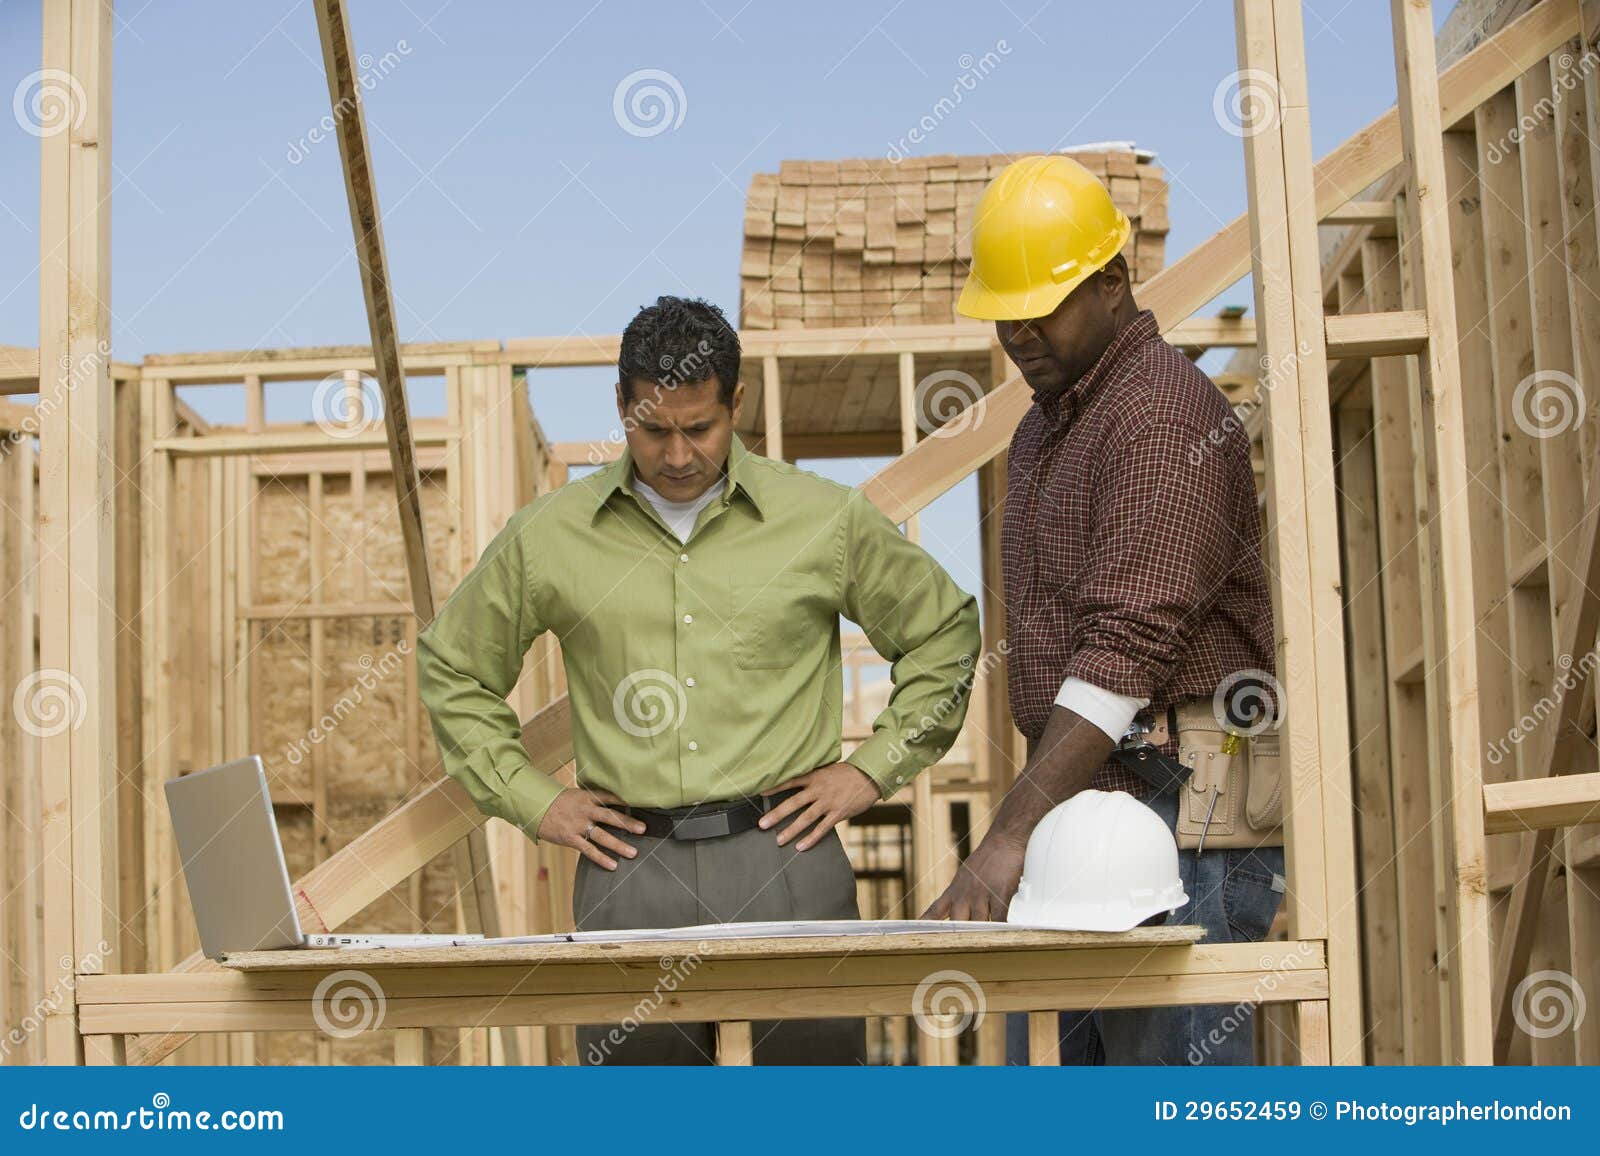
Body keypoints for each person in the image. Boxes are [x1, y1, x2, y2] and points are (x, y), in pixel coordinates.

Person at [417, 295, 981, 1065]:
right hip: (628, 874)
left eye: (699, 428)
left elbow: (945, 633)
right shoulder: (546, 538)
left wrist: (869, 770)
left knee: (809, 1125)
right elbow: (454, 667)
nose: (678, 455)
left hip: (787, 858)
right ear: (621, 407)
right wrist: (532, 799)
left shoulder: (823, 520)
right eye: (653, 430)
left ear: (736, 404)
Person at [923, 155, 1286, 1065]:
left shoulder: (1162, 415)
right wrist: (1034, 824)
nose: (1016, 331)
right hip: (1083, 807)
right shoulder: (1046, 425)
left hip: (1186, 813)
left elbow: (1125, 649)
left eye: (1039, 306)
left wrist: (1004, 837)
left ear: (1114, 283)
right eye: (1003, 310)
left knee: (1179, 1102)